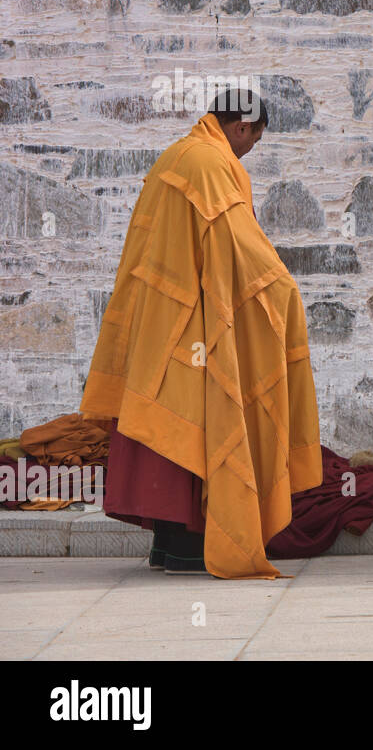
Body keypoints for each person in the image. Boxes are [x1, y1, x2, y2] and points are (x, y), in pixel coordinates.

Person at [80, 89, 322, 577]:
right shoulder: (211, 164)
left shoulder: (176, 153)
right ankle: (191, 547)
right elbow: (240, 245)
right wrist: (285, 290)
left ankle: (168, 547)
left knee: (165, 423)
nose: (251, 149)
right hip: (192, 321)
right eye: (255, 138)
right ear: (242, 127)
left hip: (157, 317)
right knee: (200, 423)